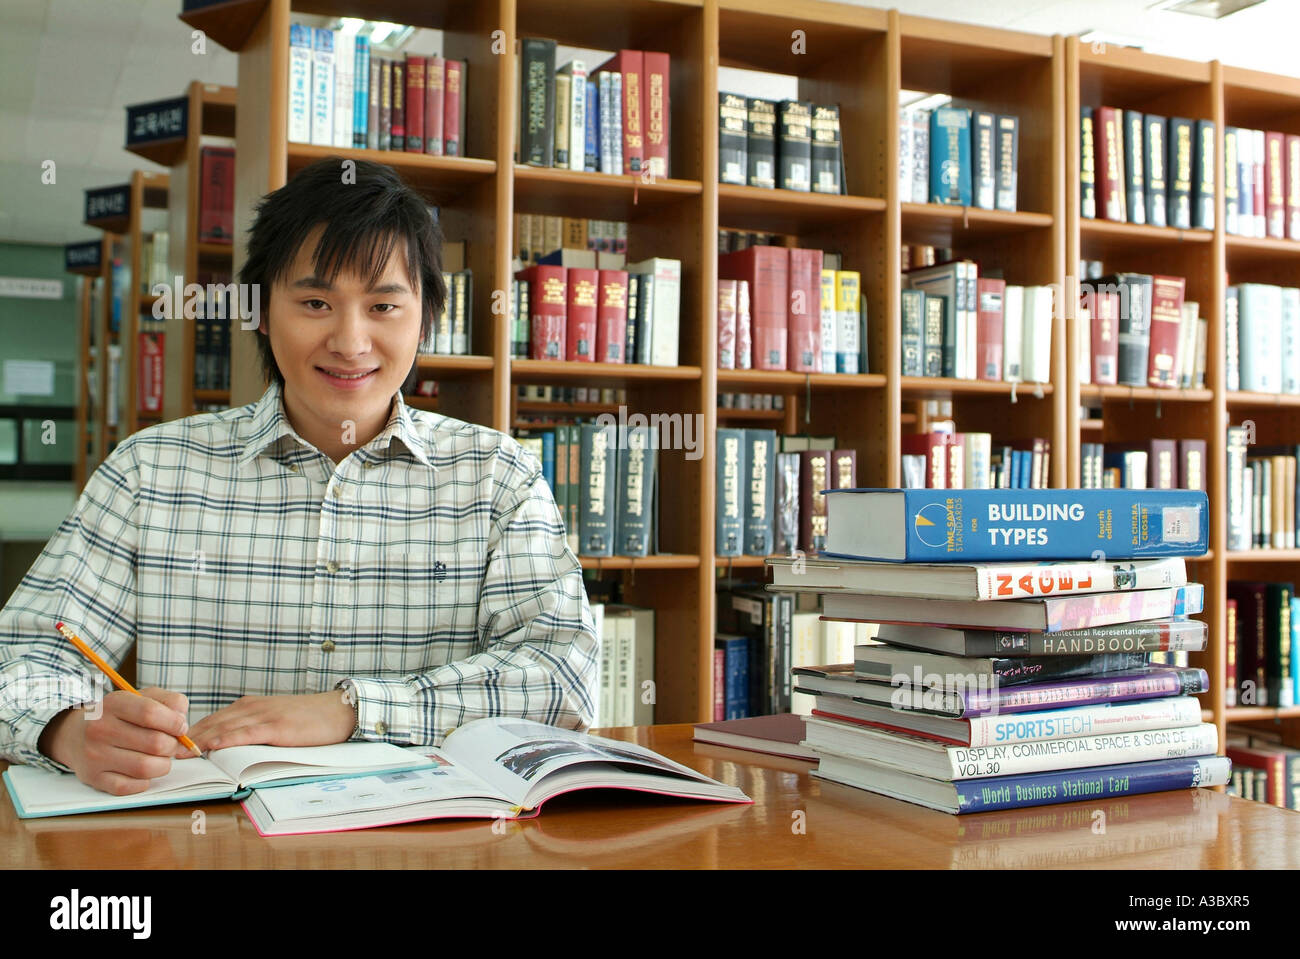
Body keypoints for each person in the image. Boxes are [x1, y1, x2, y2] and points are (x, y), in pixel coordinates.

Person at [0, 158, 598, 796]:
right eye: (315, 302)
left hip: (429, 843)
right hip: (206, 842)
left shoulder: (496, 475)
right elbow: (24, 656)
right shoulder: (151, 471)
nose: (350, 341)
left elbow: (561, 675)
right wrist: (65, 729)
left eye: (383, 306)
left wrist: (349, 710)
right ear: (260, 310)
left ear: (426, 318)